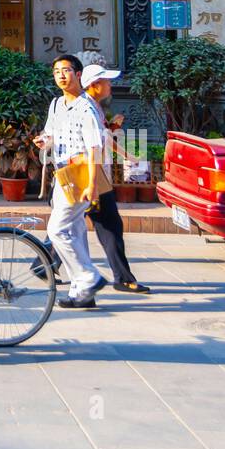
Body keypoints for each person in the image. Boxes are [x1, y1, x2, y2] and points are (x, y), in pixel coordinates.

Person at [34, 54, 107, 310]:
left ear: (78, 75)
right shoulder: (56, 104)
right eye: (56, 72)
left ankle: (89, 277)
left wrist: (92, 184)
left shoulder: (87, 108)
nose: (61, 75)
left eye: (66, 70)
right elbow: (50, 133)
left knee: (56, 230)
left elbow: (95, 148)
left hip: (79, 174)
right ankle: (82, 292)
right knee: (75, 231)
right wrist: (45, 141)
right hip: (61, 174)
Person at [81, 65, 150, 295]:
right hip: (93, 175)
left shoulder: (94, 108)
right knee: (109, 225)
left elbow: (104, 138)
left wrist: (126, 154)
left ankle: (44, 265)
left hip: (93, 174)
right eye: (107, 82)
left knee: (70, 225)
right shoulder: (88, 109)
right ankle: (122, 278)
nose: (110, 85)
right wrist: (93, 182)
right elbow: (97, 144)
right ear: (94, 85)